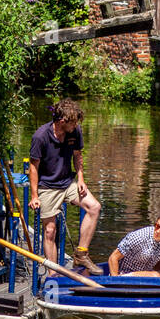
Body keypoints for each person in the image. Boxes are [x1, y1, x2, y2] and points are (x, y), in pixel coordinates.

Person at [29, 99, 102, 274]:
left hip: (67, 181)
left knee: (94, 207)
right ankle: (53, 274)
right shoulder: (41, 136)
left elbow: (78, 155)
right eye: (74, 122)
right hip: (47, 186)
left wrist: (81, 178)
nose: (76, 125)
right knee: (50, 231)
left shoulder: (75, 131)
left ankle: (81, 254)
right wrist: (34, 196)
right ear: (62, 121)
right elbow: (33, 167)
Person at [108, 210, 160, 278]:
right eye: (157, 226)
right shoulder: (138, 236)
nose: (157, 231)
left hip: (144, 276)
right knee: (156, 275)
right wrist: (116, 281)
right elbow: (113, 258)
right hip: (124, 274)